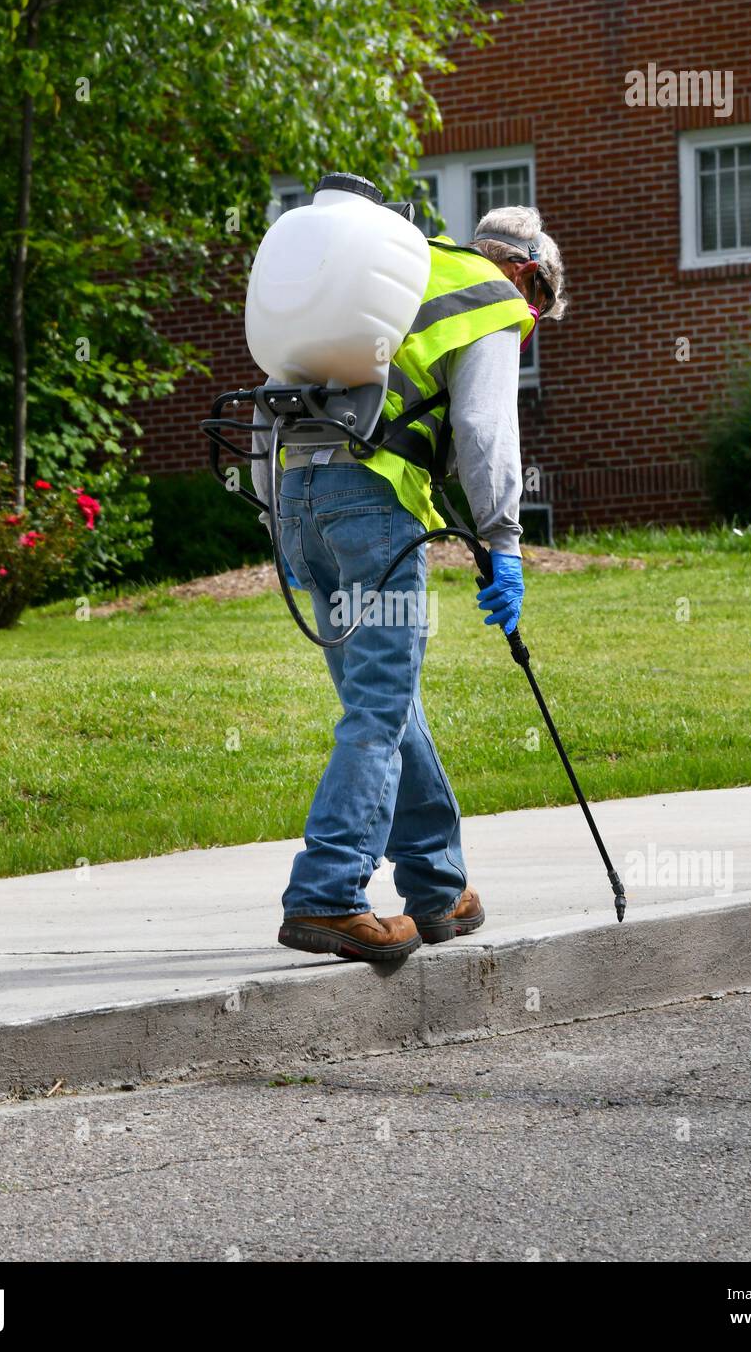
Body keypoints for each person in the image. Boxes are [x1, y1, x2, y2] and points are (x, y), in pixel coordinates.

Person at [252, 203, 567, 962]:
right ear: (526, 273)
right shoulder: (489, 297)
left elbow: (275, 385)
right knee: (378, 709)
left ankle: (436, 885)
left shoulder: (385, 273)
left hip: (298, 497)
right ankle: (327, 893)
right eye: (541, 306)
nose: (531, 320)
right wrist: (505, 544)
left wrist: (279, 524)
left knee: (386, 701)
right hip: (375, 511)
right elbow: (487, 430)